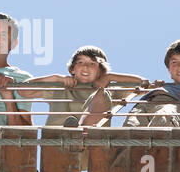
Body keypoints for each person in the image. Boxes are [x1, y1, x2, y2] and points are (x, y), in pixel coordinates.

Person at [15, 45, 149, 128]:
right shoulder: (60, 86)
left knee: (102, 94)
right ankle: (74, 133)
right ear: (73, 69)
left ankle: (79, 132)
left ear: (100, 71)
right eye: (80, 62)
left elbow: (144, 85)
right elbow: (22, 91)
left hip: (90, 143)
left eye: (92, 64)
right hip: (58, 142)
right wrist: (55, 78)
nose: (86, 67)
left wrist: (109, 77)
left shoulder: (108, 90)